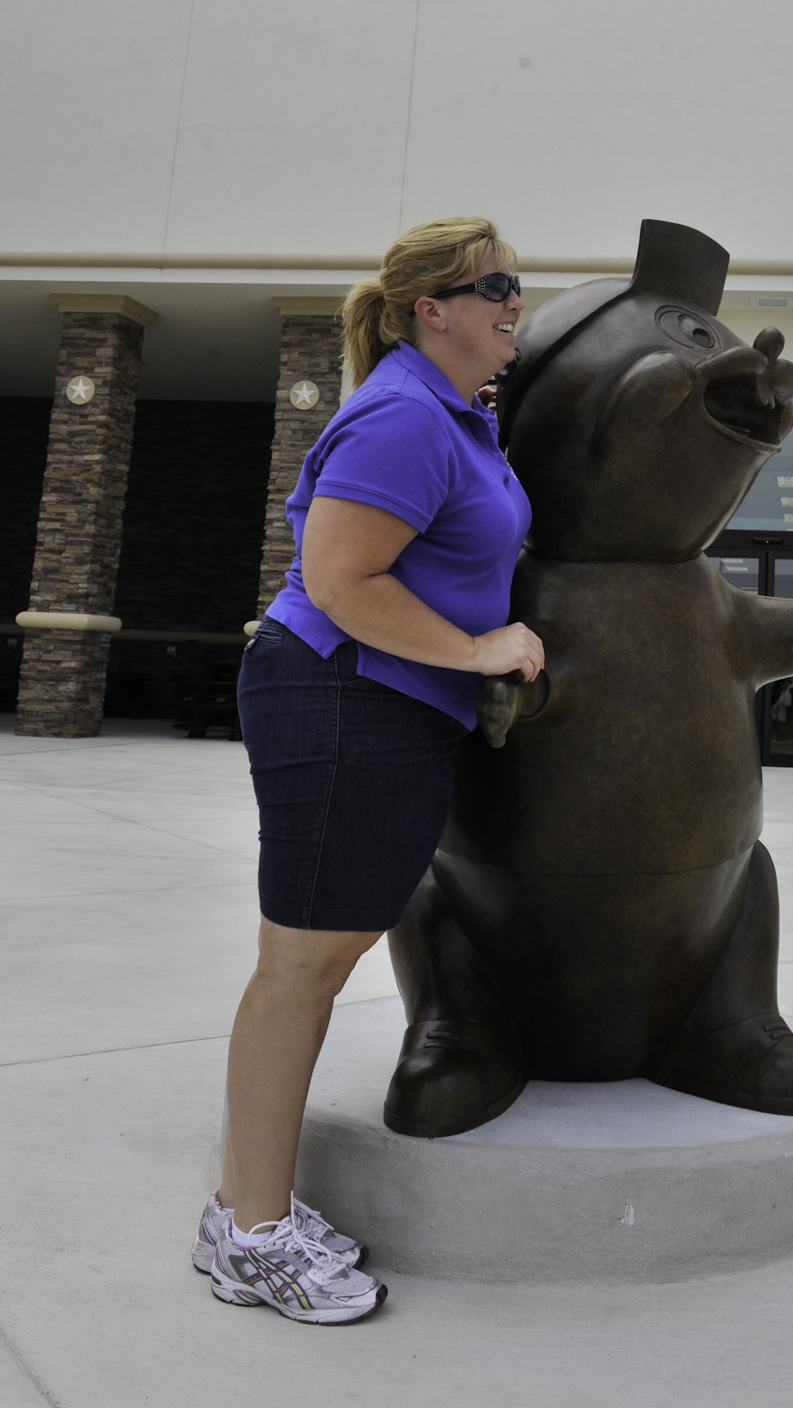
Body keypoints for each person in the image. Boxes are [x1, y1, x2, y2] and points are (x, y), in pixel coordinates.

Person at [192, 216, 543, 1323]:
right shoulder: (401, 414)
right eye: (493, 285)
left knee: (319, 958)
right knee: (299, 966)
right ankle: (248, 1231)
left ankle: (246, 1211)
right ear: (429, 307)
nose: (513, 301)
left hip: (382, 704)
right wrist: (480, 648)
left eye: (515, 283)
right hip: (342, 695)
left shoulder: (459, 412)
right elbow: (342, 578)